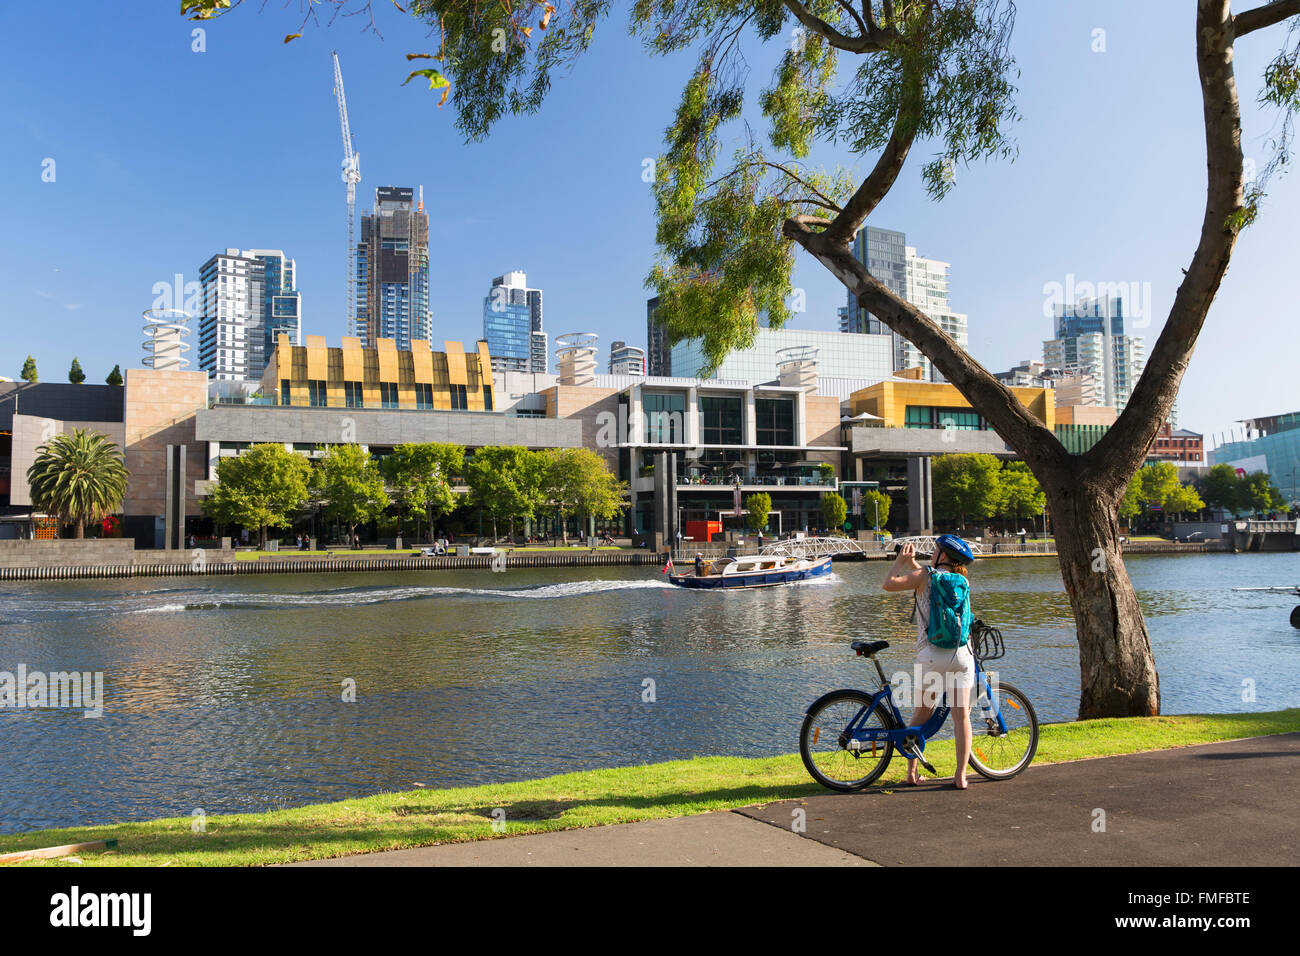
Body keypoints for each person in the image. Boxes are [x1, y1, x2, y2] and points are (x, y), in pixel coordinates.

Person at [882, 534, 976, 790]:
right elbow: (932, 580)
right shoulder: (962, 581)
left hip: (932, 656)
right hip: (961, 655)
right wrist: (916, 564)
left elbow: (889, 584)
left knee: (922, 714)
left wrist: (900, 561)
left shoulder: (925, 576)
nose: (931, 553)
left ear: (943, 556)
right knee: (961, 718)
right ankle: (961, 776)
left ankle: (911, 773)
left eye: (935, 550)